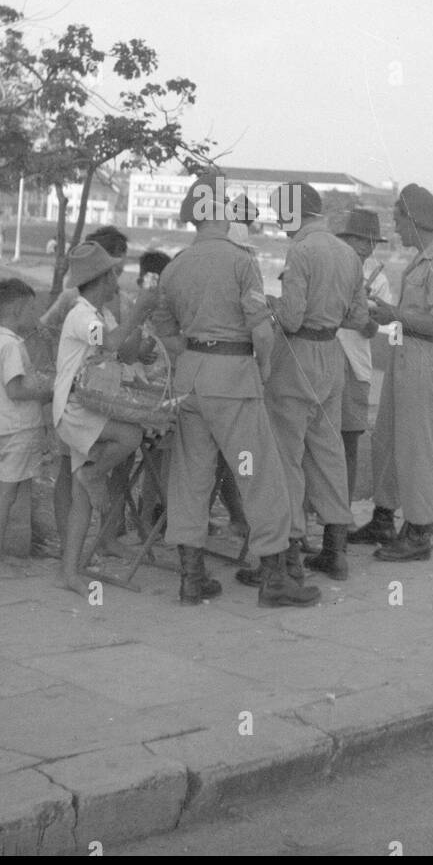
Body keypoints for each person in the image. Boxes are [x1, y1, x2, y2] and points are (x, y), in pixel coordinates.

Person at [148, 173, 319, 607]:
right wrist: (261, 371)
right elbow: (261, 331)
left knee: (190, 478)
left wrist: (190, 356)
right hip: (234, 379)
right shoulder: (242, 262)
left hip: (191, 380)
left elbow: (165, 333)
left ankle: (191, 578)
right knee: (259, 475)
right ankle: (275, 579)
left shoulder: (173, 267)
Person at [237, 183, 369, 586]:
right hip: (332, 355)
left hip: (298, 355)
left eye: (281, 216)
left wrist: (269, 308)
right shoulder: (348, 253)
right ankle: (335, 549)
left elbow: (291, 318)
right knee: (328, 452)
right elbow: (359, 316)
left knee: (286, 455)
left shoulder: (301, 252)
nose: (280, 224)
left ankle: (289, 553)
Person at [351, 183, 433, 561]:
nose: (396, 227)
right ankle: (384, 518)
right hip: (405, 359)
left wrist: (392, 314)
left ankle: (419, 531)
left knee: (416, 448)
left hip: (423, 361)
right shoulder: (422, 261)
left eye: (399, 218)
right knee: (386, 441)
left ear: (415, 219)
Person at [52, 242, 151, 597]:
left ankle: (70, 571)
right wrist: (138, 312)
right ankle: (94, 473)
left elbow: (118, 349)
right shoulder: (82, 316)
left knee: (81, 498)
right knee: (131, 436)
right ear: (100, 278)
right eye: (112, 273)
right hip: (74, 411)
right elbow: (110, 342)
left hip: (82, 409)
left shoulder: (92, 313)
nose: (116, 280)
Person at [0, 279, 55, 577]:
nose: (36, 313)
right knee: (7, 495)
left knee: (10, 493)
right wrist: (45, 391)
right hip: (18, 429)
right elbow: (15, 390)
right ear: (15, 308)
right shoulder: (11, 346)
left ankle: (0, 556)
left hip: (4, 427)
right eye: (31, 307)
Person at [331, 207, 391, 517]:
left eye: (372, 242)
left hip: (355, 365)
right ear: (347, 239)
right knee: (311, 440)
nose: (367, 247)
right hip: (324, 358)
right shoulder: (329, 266)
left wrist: (360, 309)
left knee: (349, 441)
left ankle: (343, 515)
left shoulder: (378, 281)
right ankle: (305, 517)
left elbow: (371, 329)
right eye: (361, 240)